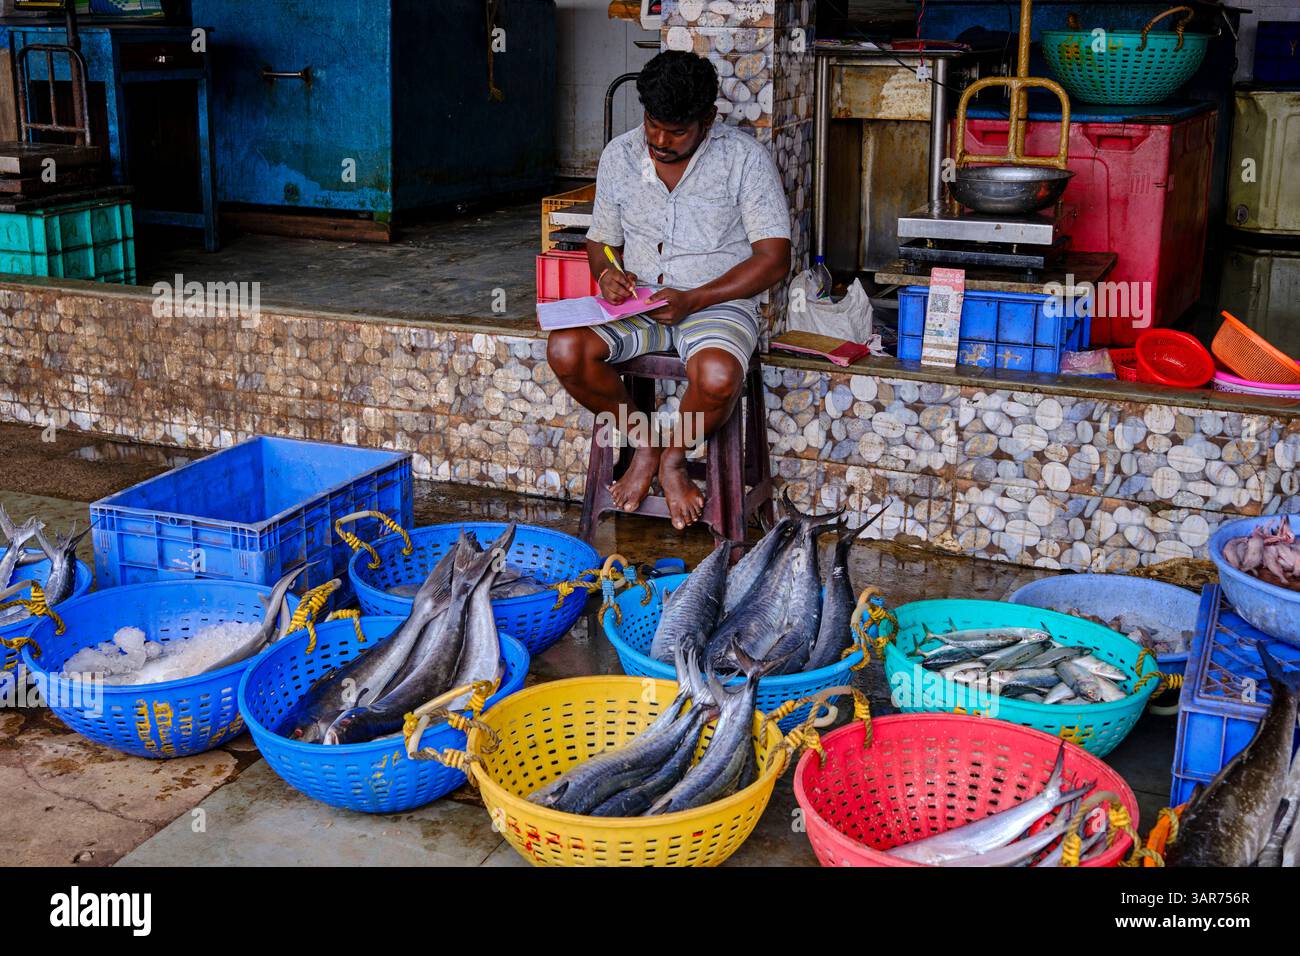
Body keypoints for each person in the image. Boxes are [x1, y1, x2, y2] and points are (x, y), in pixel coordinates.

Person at [547, 51, 792, 530]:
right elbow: (601, 240)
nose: (659, 140)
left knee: (719, 376)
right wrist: (606, 274)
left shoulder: (743, 160)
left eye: (676, 132)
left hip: (715, 303)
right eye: (653, 125)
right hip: (639, 305)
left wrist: (696, 298)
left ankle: (675, 456)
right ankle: (644, 443)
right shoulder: (621, 154)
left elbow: (774, 259)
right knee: (565, 349)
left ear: (707, 120)